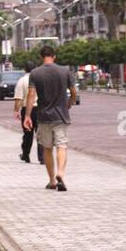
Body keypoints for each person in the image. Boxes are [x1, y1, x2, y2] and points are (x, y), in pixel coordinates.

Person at [24, 44, 78, 191]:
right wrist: (70, 103)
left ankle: (52, 180)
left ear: (41, 57)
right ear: (54, 56)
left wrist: (27, 116)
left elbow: (31, 95)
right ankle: (61, 173)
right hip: (61, 115)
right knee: (61, 145)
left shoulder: (35, 73)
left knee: (47, 148)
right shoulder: (65, 71)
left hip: (43, 116)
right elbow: (74, 92)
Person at [13, 64, 40, 164]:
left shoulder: (22, 80)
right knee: (41, 133)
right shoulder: (40, 79)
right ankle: (42, 157)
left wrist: (16, 110)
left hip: (27, 109)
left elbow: (18, 98)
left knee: (27, 133)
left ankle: (25, 154)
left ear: (25, 69)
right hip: (40, 109)